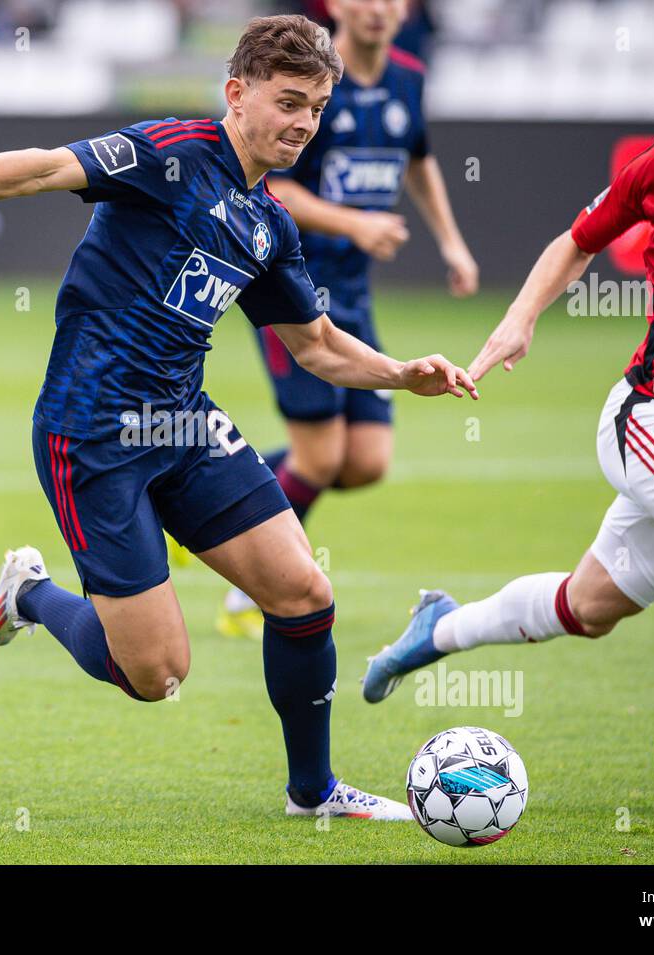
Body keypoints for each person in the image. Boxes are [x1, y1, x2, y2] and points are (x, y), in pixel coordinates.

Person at [0, 14, 477, 819]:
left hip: (182, 423)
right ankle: (30, 593)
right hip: (92, 431)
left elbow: (315, 344)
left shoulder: (270, 223)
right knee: (157, 675)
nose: (303, 123)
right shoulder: (171, 153)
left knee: (304, 591)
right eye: (288, 102)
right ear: (237, 94)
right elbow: (41, 170)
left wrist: (400, 374)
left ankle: (312, 793)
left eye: (314, 107)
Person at [363, 4, 654, 779]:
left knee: (589, 607)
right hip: (650, 413)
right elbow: (577, 241)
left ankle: (439, 627)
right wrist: (520, 319)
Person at [220, 0, 478, 639]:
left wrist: (450, 240)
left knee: (364, 461)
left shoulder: (408, 78)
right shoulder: (309, 83)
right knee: (319, 456)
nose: (379, 9)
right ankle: (248, 587)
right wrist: (354, 222)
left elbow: (419, 160)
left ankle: (218, 498)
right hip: (291, 287)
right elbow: (273, 186)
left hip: (353, 295)